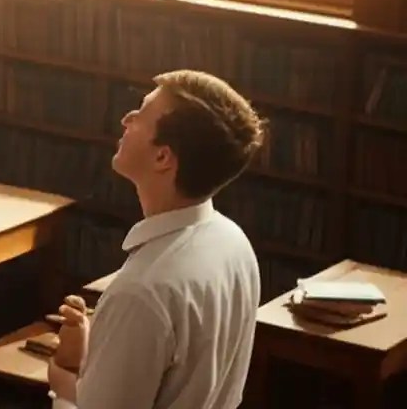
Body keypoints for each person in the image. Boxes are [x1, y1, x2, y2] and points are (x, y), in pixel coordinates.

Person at [47, 69, 264, 408]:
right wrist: (101, 348)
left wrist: (64, 382)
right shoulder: (234, 243)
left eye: (141, 113)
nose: (126, 118)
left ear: (163, 157)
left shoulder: (141, 292)